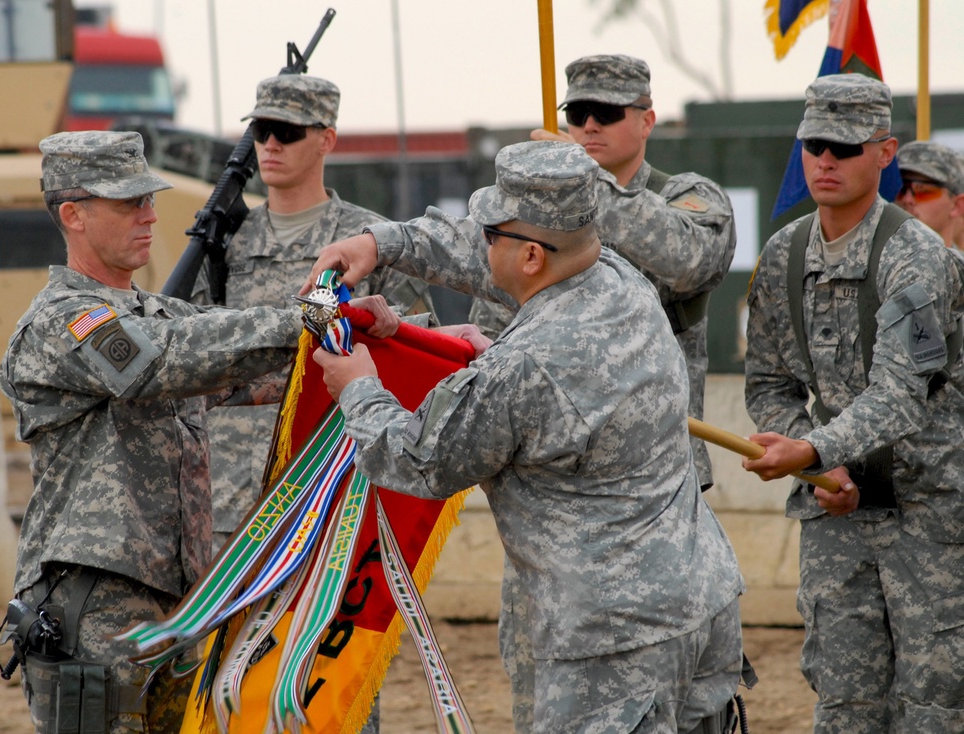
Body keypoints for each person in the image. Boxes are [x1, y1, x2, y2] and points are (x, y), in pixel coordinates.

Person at [307, 140, 745, 734]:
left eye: (492, 234)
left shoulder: (526, 369)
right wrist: (384, 245)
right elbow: (535, 371)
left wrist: (357, 386)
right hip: (698, 604)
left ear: (533, 256)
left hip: (610, 646)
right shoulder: (620, 279)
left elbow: (416, 459)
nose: (481, 241)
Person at [0, 130, 397, 734]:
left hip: (179, 605)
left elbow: (258, 372)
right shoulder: (63, 322)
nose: (150, 214)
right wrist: (313, 316)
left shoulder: (156, 315)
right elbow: (163, 361)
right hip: (96, 608)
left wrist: (405, 339)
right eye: (128, 203)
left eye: (149, 198)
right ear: (73, 214)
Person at [469, 53, 739, 729]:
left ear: (646, 120)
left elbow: (688, 259)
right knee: (547, 686)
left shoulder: (689, 200)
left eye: (607, 115)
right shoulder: (527, 220)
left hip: (654, 502)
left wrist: (582, 189)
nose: (588, 127)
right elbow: (494, 333)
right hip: (554, 511)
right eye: (577, 115)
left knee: (668, 697)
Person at [744, 74, 964, 732]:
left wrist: (816, 449)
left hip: (928, 520)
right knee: (843, 702)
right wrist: (820, 469)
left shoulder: (916, 258)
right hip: (837, 519)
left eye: (844, 146)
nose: (826, 161)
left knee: (934, 702)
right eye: (814, 145)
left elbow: (904, 392)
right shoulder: (784, 256)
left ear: (885, 152)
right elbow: (769, 384)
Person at [191, 72, 434, 555]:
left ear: (327, 139)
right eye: (261, 131)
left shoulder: (374, 241)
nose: (271, 145)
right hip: (233, 484)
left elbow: (415, 349)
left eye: (288, 132)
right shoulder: (222, 245)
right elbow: (196, 352)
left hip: (332, 482)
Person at [893, 139, 964, 248]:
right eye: (901, 189)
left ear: (957, 205)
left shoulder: (958, 265)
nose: (907, 199)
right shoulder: (870, 261)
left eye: (922, 191)